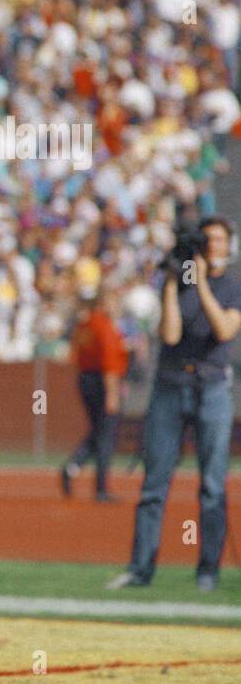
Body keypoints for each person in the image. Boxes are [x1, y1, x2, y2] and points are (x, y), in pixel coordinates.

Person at [108, 217, 241, 592]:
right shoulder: (177, 284)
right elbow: (169, 334)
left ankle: (207, 571)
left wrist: (199, 282)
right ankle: (140, 568)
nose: (210, 246)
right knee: (154, 483)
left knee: (213, 485)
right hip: (170, 384)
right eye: (205, 240)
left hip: (212, 386)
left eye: (217, 240)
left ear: (227, 246)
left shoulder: (231, 288)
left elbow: (224, 330)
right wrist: (172, 280)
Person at [60, 287, 128, 502]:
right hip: (102, 381)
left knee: (98, 432)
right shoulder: (104, 325)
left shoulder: (84, 325)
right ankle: (101, 487)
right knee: (105, 435)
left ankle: (73, 466)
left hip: (86, 379)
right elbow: (109, 362)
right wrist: (112, 393)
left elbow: (76, 354)